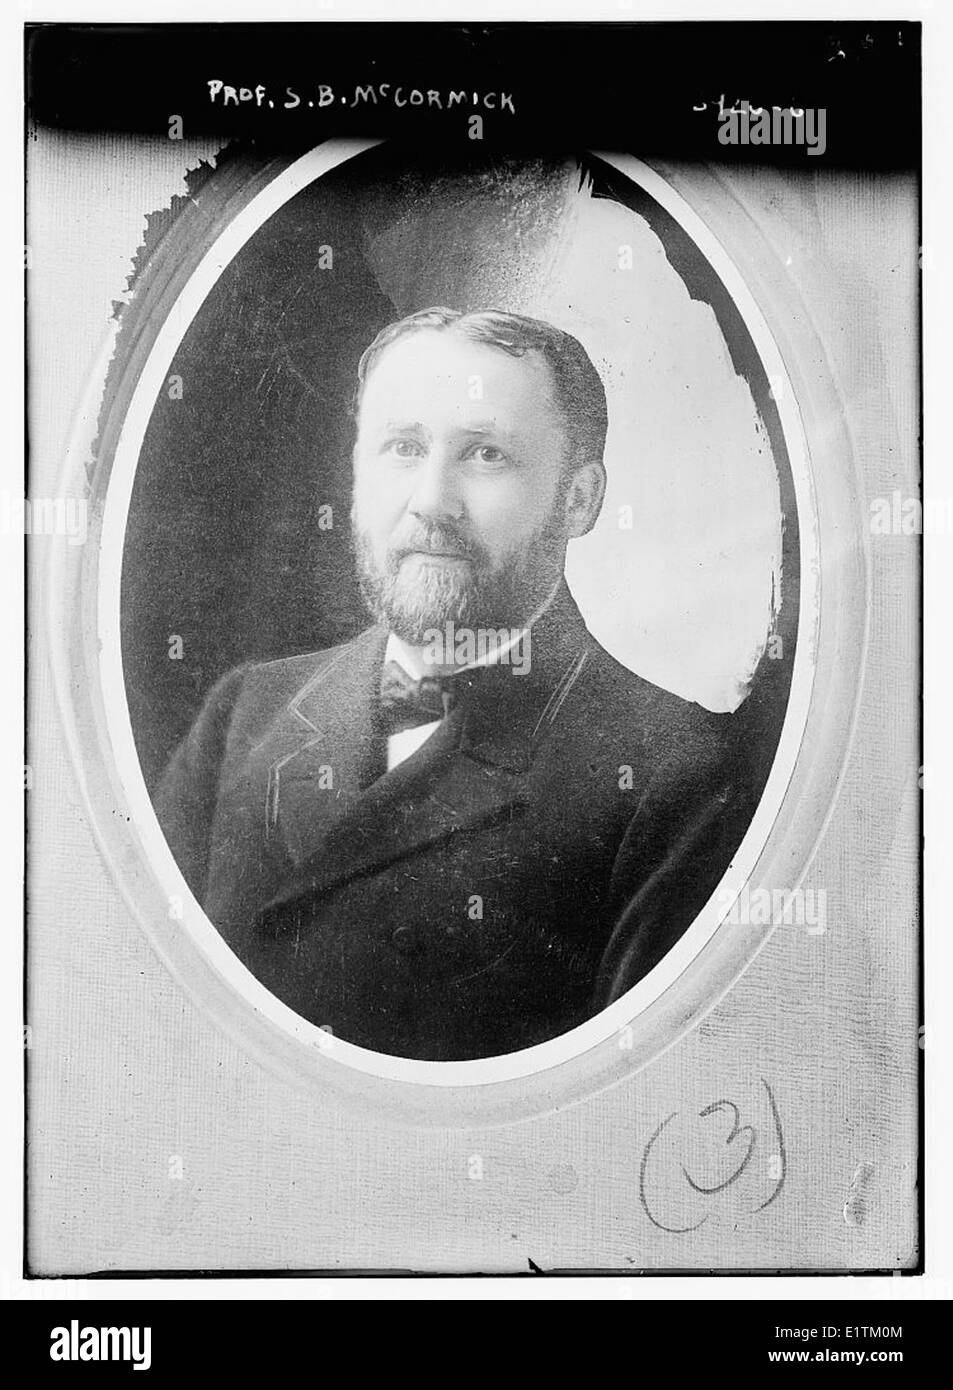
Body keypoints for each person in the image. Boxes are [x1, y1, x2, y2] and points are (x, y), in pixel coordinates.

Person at [155, 307, 750, 1061]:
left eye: (486, 454)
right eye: (402, 447)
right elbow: (136, 1011)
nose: (431, 500)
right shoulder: (245, 711)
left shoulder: (681, 779)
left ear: (579, 499)